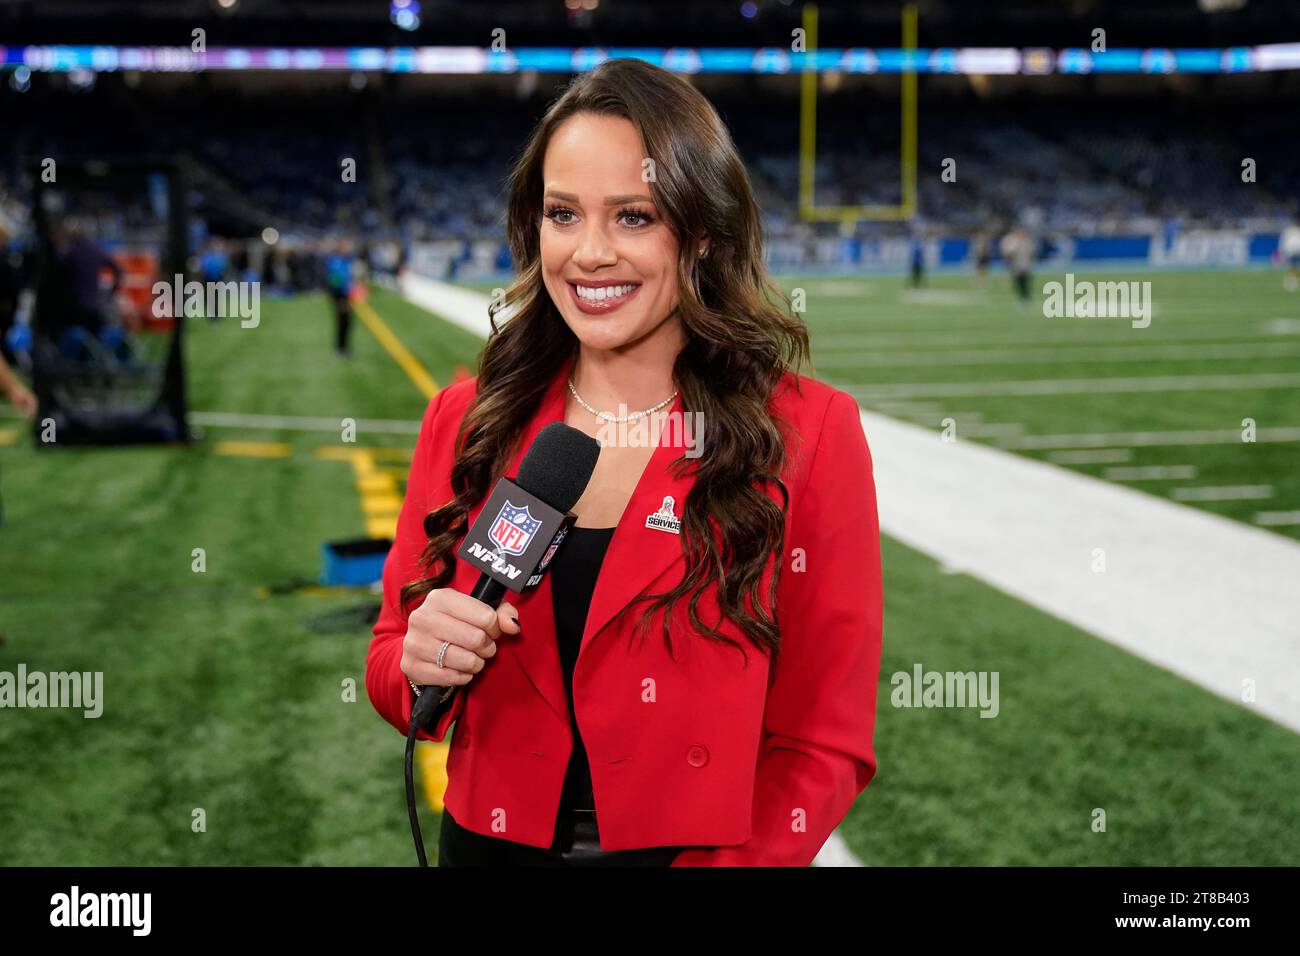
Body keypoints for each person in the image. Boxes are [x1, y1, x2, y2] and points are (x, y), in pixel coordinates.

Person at [365, 59, 883, 867]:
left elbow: (827, 740)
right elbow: (394, 663)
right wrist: (415, 659)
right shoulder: (466, 420)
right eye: (563, 213)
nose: (590, 253)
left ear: (703, 231)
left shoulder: (808, 434)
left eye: (634, 216)